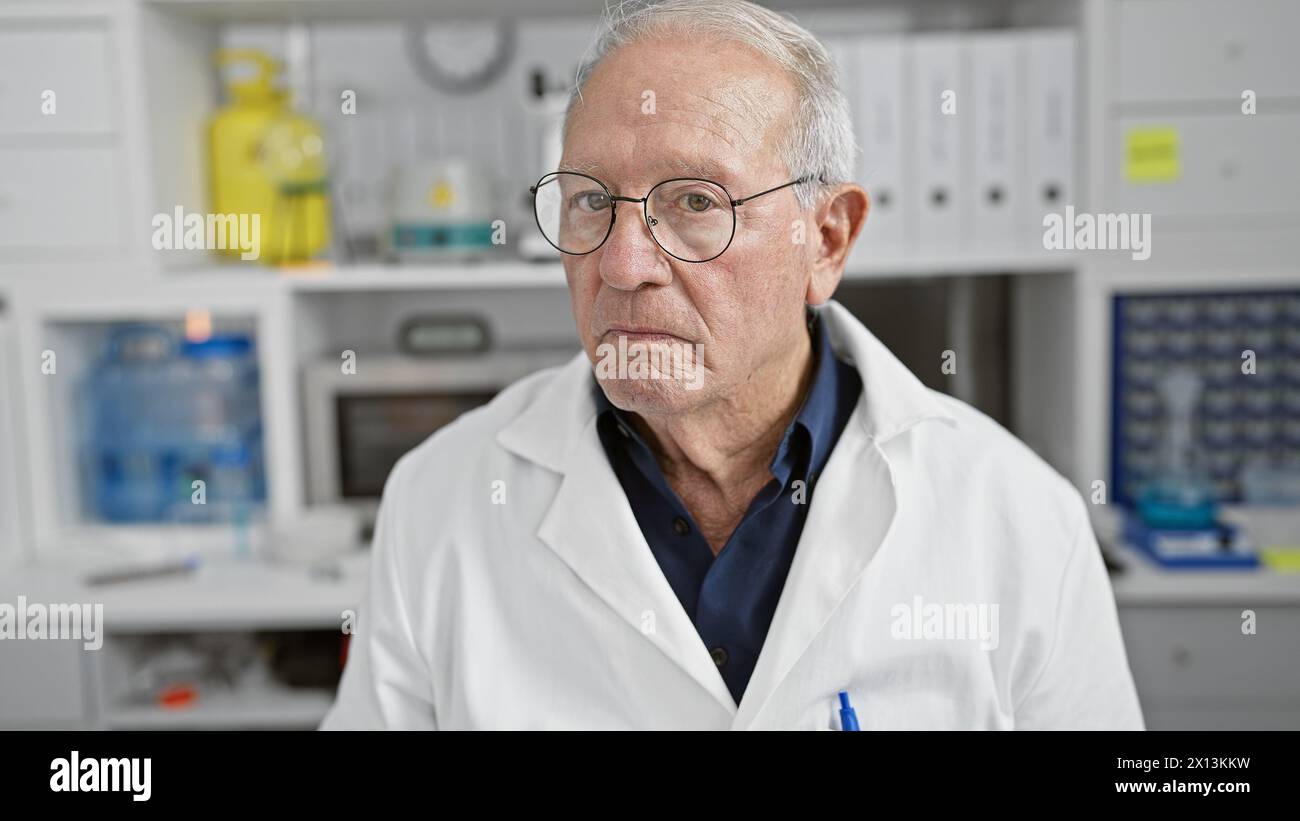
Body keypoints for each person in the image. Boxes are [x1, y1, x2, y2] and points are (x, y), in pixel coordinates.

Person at [321, 0, 1143, 730]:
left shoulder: (1020, 521)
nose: (622, 264)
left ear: (826, 240)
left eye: (696, 202)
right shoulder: (439, 499)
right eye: (591, 201)